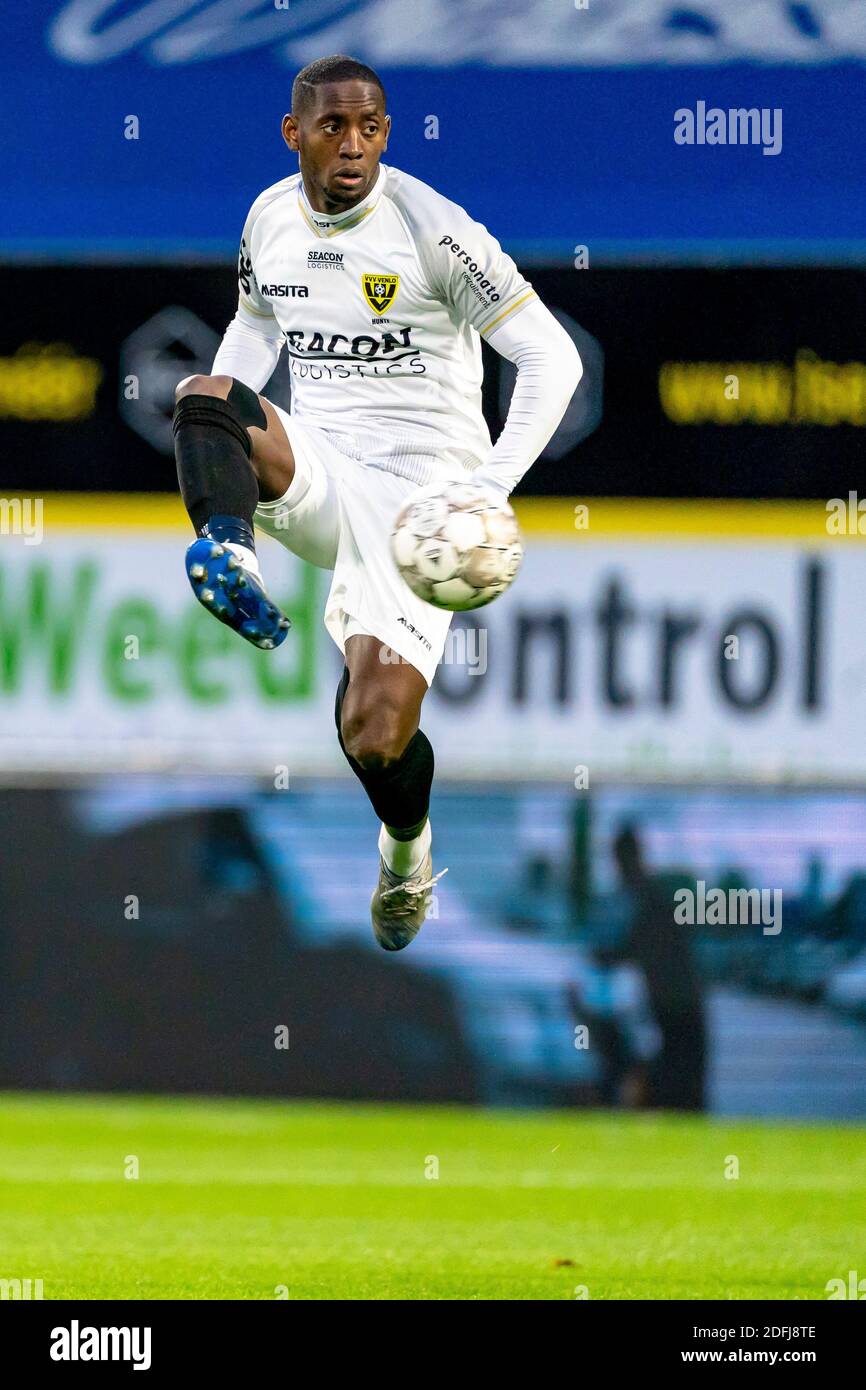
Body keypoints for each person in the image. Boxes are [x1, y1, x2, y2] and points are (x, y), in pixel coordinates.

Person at [173, 54, 582, 951]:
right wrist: (232, 447)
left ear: (386, 135)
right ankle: (231, 552)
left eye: (370, 128)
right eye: (333, 127)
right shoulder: (268, 220)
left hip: (424, 504)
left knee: (371, 732)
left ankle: (407, 852)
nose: (353, 146)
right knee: (205, 396)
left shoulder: (433, 230)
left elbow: (555, 358)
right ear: (295, 135)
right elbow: (252, 323)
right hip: (323, 468)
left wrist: (485, 491)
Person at [612, 825, 707, 1110]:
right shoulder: (646, 896)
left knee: (680, 1087)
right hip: (670, 1005)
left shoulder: (649, 898)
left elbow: (633, 946)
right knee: (677, 1085)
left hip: (677, 1005)